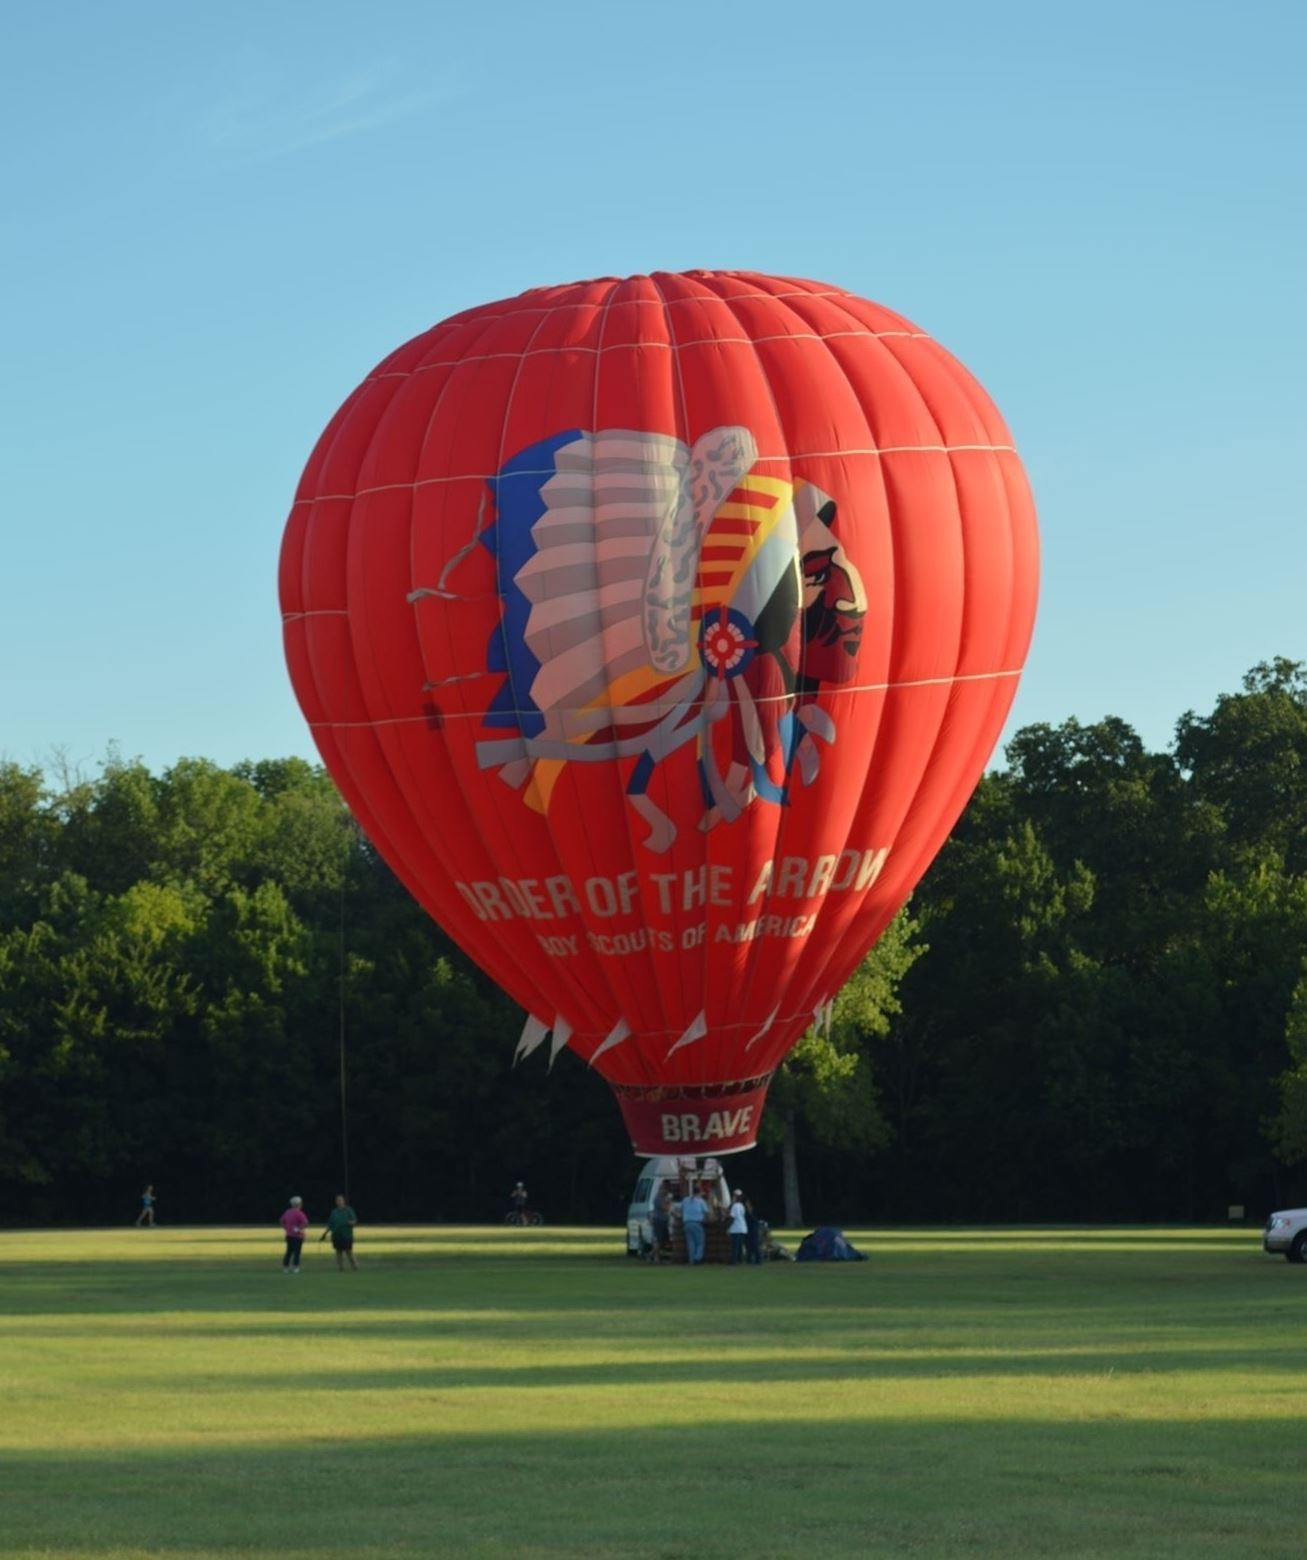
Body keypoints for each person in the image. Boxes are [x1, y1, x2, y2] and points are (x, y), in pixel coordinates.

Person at [319, 1193, 358, 1271]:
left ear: (344, 1201)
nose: (339, 1201)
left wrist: (350, 1222)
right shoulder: (334, 1212)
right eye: (337, 1200)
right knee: (338, 1251)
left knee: (348, 1251)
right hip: (336, 1235)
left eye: (340, 1200)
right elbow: (330, 1224)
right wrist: (325, 1233)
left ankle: (354, 1266)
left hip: (346, 1234)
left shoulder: (348, 1210)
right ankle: (340, 1267)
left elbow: (354, 1221)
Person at [680, 1182, 708, 1265]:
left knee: (690, 1243)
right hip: (697, 1223)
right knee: (700, 1242)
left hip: (687, 1224)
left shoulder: (685, 1200)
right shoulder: (701, 1201)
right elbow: (706, 1212)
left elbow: (681, 1210)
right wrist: (706, 1219)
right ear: (699, 1192)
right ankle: (697, 1258)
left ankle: (691, 1260)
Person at [280, 1195, 309, 1273]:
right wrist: (299, 1228)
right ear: (298, 1204)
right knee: (297, 1252)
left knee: (289, 1251)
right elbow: (306, 1223)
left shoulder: (287, 1212)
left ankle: (285, 1267)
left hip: (289, 1235)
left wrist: (286, 1228)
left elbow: (281, 1221)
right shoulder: (299, 1213)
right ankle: (295, 1267)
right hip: (298, 1236)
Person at [649, 1186, 672, 1260]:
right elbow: (665, 1208)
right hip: (659, 1221)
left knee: (662, 1241)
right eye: (665, 1190)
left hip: (662, 1220)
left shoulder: (660, 1198)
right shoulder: (658, 1199)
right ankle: (651, 1254)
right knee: (659, 1240)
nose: (666, 1192)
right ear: (661, 1190)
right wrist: (669, 1202)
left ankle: (655, 1257)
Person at [727, 1188, 748, 1265]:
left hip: (736, 1228)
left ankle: (734, 1261)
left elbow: (732, 1217)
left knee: (735, 1246)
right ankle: (739, 1260)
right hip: (742, 1228)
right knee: (739, 1246)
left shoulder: (735, 1206)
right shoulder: (741, 1205)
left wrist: (728, 1227)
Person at [744, 1198, 764, 1265]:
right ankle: (749, 1260)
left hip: (753, 1230)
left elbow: (754, 1219)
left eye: (748, 1203)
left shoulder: (752, 1212)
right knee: (749, 1245)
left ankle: (758, 1260)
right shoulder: (747, 1211)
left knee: (754, 1245)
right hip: (749, 1230)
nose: (747, 1204)